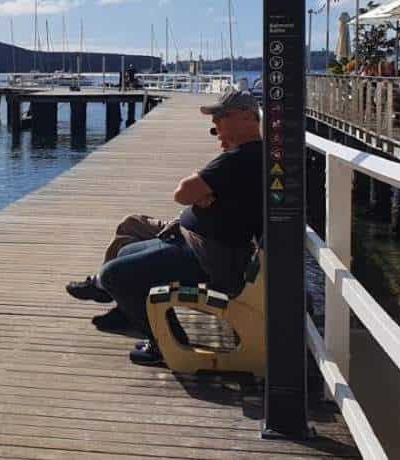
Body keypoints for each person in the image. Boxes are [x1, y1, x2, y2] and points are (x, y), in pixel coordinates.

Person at [67, 88, 263, 366]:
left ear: (247, 117)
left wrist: (200, 194)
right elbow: (197, 194)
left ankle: (163, 345)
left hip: (210, 258)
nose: (215, 123)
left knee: (114, 274)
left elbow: (183, 192)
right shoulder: (245, 156)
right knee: (124, 253)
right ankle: (130, 310)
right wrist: (203, 196)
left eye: (222, 116)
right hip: (206, 246)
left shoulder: (240, 158)